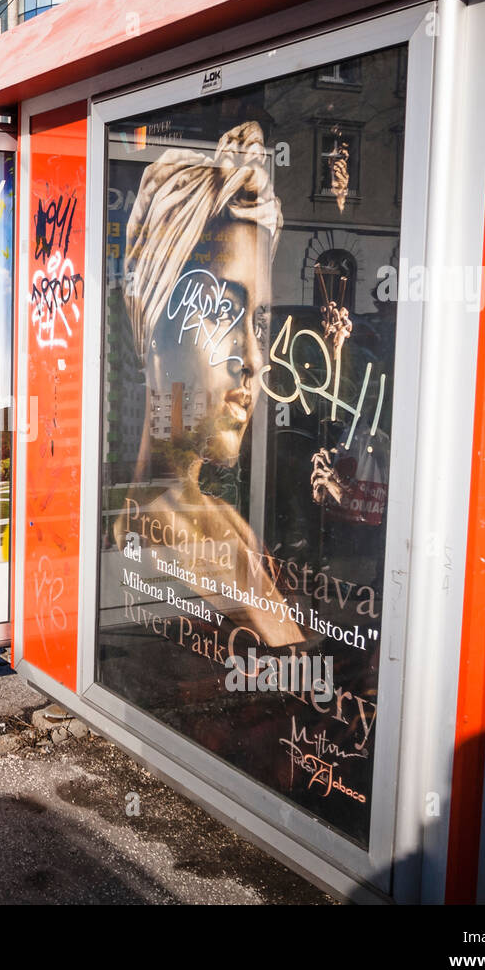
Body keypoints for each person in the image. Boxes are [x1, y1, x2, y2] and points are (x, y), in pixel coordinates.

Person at [116, 120, 304, 649]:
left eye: (261, 322)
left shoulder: (232, 528)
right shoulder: (140, 538)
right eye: (222, 311)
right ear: (154, 339)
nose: (254, 358)